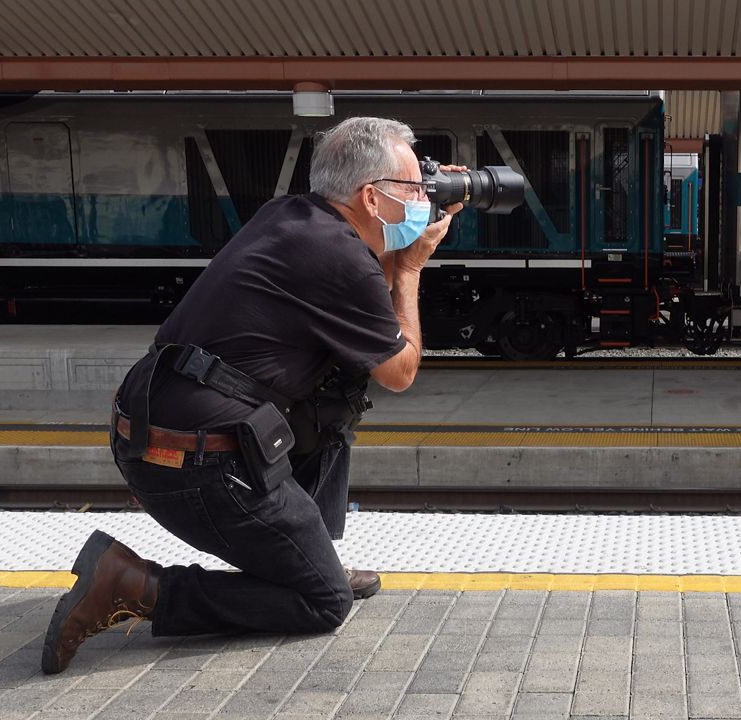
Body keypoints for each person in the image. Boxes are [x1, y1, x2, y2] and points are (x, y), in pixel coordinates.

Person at [41, 117, 462, 674]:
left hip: (151, 429)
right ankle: (135, 585)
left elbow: (361, 316)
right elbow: (400, 370)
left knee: (334, 395)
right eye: (413, 187)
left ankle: (313, 558)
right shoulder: (340, 258)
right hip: (198, 464)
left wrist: (399, 248)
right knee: (323, 603)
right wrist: (409, 268)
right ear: (372, 197)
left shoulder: (289, 215)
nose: (421, 197)